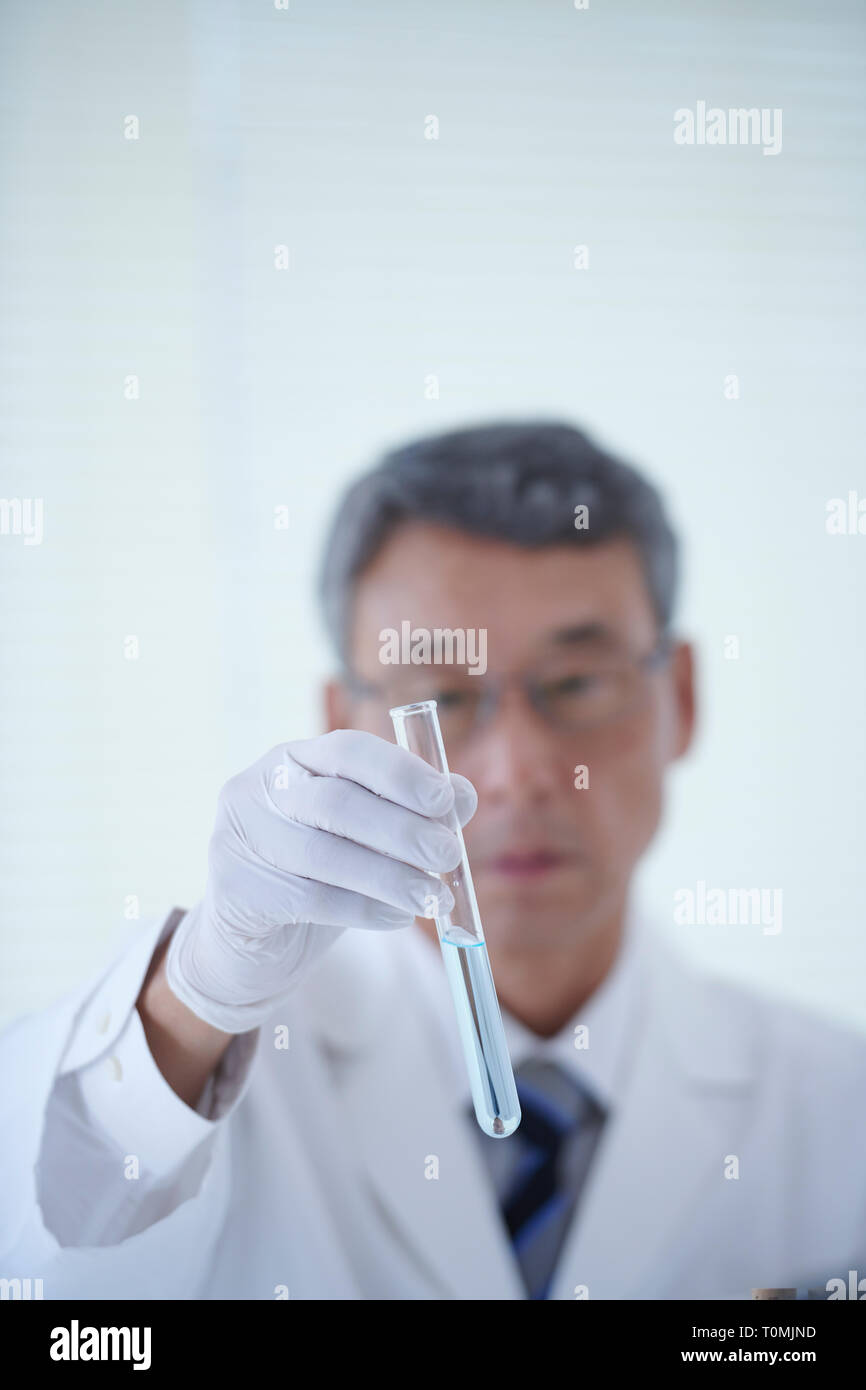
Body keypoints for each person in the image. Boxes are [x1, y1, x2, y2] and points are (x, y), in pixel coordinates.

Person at [1, 420, 864, 1300]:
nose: (519, 770)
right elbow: (48, 1258)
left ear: (679, 696)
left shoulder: (839, 1109)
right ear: (344, 719)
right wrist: (195, 996)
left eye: (576, 683)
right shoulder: (207, 1087)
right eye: (441, 696)